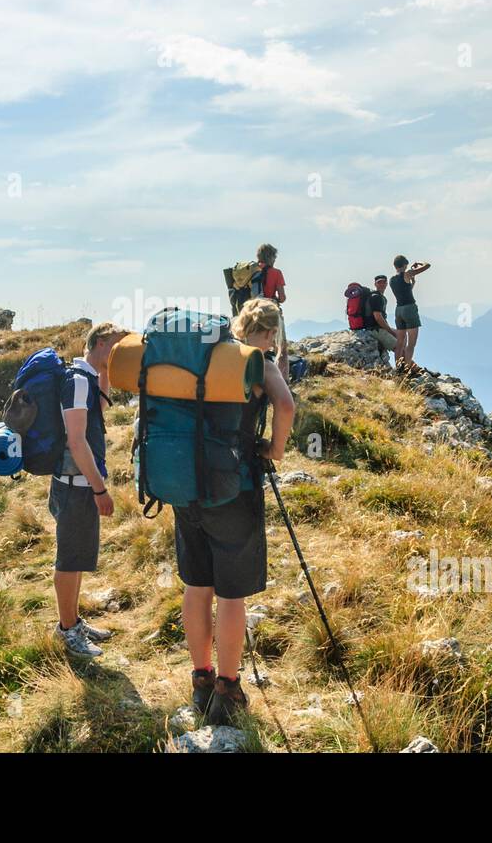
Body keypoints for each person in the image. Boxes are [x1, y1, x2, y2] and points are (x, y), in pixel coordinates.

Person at [178, 298, 295, 726]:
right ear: (269, 333)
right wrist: (275, 450)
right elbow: (286, 406)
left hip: (187, 485)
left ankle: (201, 679)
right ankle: (228, 689)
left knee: (196, 584)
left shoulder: (206, 357)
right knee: (231, 593)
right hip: (234, 489)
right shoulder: (257, 363)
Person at [51, 321, 129, 658]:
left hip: (79, 484)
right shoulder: (77, 381)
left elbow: (100, 411)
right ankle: (67, 631)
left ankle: (74, 622)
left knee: (79, 557)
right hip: (76, 485)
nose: (118, 353)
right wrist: (100, 490)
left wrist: (107, 370)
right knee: (69, 560)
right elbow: (77, 441)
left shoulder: (87, 380)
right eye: (114, 346)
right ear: (98, 342)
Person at [390, 255, 431, 373]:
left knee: (400, 342)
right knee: (411, 344)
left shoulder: (392, 279)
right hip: (409, 309)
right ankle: (407, 370)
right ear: (404, 265)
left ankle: (398, 368)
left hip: (398, 311)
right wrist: (419, 262)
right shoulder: (407, 274)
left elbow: (404, 292)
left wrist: (412, 284)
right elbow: (427, 265)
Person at [255, 243, 290, 380]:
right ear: (271, 257)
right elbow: (282, 298)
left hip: (253, 314)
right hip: (271, 313)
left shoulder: (251, 272)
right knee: (281, 349)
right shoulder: (276, 273)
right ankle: (283, 384)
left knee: (257, 349)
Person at [364, 273, 400, 366]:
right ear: (375, 284)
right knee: (398, 346)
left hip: (376, 327)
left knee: (401, 335)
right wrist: (390, 331)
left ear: (387, 284)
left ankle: (411, 366)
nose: (382, 284)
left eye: (384, 282)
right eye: (379, 282)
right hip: (374, 329)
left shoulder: (379, 296)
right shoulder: (376, 298)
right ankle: (404, 369)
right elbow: (378, 317)